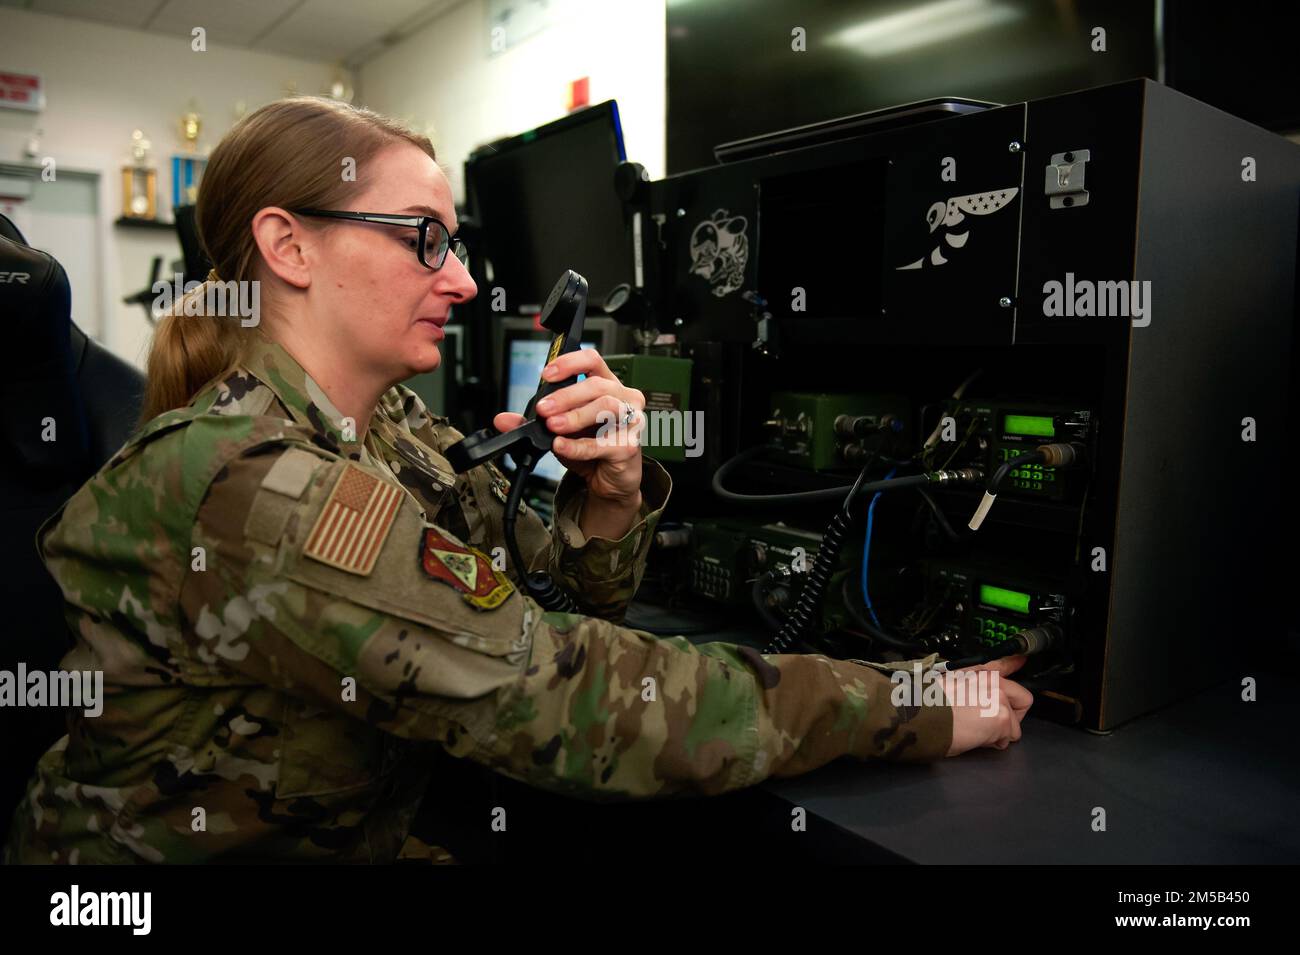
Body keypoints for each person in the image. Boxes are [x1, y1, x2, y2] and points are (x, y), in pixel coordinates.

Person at [4, 97, 1030, 864]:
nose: (459, 279)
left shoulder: (386, 432)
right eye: (426, 239)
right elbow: (559, 694)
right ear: (288, 245)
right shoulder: (252, 481)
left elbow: (542, 596)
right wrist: (911, 700)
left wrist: (609, 498)